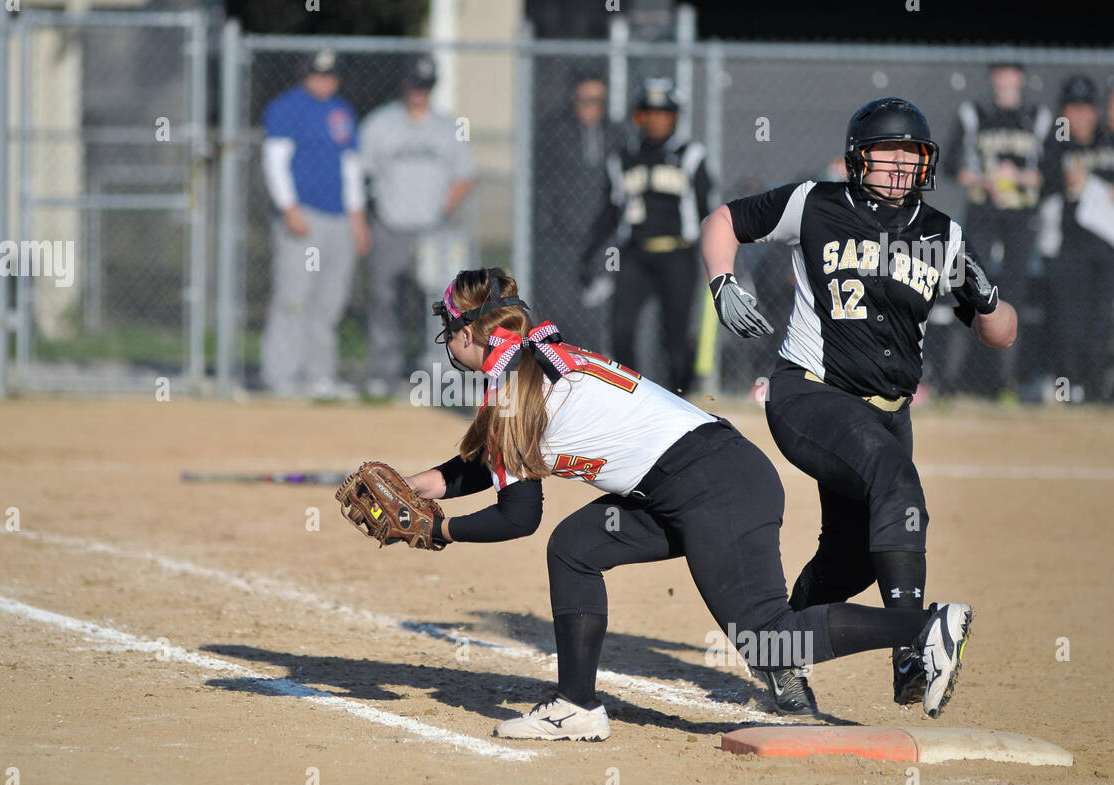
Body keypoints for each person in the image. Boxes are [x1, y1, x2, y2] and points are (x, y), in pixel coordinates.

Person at [395, 266, 974, 738]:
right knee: (575, 548)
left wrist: (442, 532)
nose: (448, 339)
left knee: (768, 637)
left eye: (449, 328)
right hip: (697, 476)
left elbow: (519, 513)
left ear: (470, 333)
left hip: (711, 487)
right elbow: (495, 462)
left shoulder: (509, 393)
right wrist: (425, 484)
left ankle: (923, 627)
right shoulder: (536, 361)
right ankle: (576, 706)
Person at [699, 97, 1017, 708]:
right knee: (897, 482)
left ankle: (776, 651)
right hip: (810, 394)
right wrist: (722, 280)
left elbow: (999, 332)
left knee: (852, 561)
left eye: (911, 154)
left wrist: (987, 295)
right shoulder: (816, 204)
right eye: (885, 152)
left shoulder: (941, 233)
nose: (899, 166)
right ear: (856, 158)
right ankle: (913, 650)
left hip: (889, 413)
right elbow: (724, 221)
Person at [577, 78, 714, 396]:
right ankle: (634, 396)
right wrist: (588, 253)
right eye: (647, 113)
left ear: (675, 116)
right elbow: (610, 211)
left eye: (663, 112)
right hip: (634, 254)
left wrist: (716, 256)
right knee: (621, 330)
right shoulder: (623, 158)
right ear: (638, 117)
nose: (655, 119)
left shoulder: (691, 156)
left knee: (675, 335)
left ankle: (683, 397)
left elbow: (709, 211)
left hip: (678, 253)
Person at [359, 56, 477, 398]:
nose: (419, 93)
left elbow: (465, 176)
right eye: (414, 85)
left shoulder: (447, 127)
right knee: (384, 299)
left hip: (433, 229)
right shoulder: (380, 124)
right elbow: (362, 174)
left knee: (440, 307)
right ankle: (384, 373)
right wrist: (370, 217)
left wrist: (440, 210)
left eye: (425, 86)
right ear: (404, 85)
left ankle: (438, 375)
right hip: (389, 226)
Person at [260, 48, 369, 399]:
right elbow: (275, 163)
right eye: (317, 74)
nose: (324, 81)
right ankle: (281, 376)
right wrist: (289, 207)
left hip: (339, 218)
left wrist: (358, 218)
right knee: (294, 296)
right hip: (304, 215)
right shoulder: (286, 107)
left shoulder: (342, 111)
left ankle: (318, 377)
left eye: (330, 75)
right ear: (304, 74)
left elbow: (351, 169)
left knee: (329, 301)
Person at [938, 62, 1050, 400]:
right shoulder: (973, 114)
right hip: (983, 216)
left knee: (1012, 294)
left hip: (1020, 219)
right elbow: (951, 165)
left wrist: (1019, 177)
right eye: (999, 72)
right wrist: (983, 180)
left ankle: (1006, 382)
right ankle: (950, 381)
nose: (1004, 79)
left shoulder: (1038, 118)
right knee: (970, 290)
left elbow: (1054, 172)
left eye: (1011, 72)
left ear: (1020, 78)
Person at [1037, 75, 1114, 403]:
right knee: (1069, 324)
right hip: (1068, 250)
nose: (1080, 116)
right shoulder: (1059, 139)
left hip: (1107, 249)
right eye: (1072, 109)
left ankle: (1098, 394)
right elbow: (1045, 181)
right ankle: (1069, 391)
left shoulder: (1106, 139)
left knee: (1102, 323)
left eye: (1086, 109)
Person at [532, 73, 624, 349]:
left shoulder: (616, 136)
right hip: (561, 235)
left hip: (604, 236)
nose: (590, 107)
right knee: (559, 306)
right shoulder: (555, 133)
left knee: (601, 307)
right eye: (584, 100)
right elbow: (540, 183)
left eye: (597, 100)